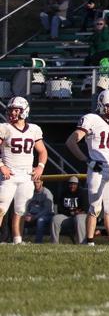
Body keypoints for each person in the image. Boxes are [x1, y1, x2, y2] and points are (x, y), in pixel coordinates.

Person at [65, 90, 109, 245]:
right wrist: (87, 160)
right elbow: (71, 142)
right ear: (101, 105)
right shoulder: (91, 119)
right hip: (96, 166)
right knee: (95, 207)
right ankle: (89, 240)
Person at [0, 96, 48, 244]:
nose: (12, 113)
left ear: (24, 111)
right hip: (10, 175)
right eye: (11, 110)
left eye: (15, 110)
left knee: (20, 210)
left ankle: (17, 240)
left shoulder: (34, 129)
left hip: (26, 175)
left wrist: (40, 167)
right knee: (1, 208)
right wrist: (1, 166)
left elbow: (43, 151)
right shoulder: (4, 128)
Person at [51, 175, 88, 244]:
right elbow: (60, 209)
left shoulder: (83, 193)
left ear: (77, 185)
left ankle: (82, 243)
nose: (72, 186)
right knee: (55, 218)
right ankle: (54, 243)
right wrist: (71, 212)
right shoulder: (64, 193)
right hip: (68, 216)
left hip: (82, 218)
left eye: (74, 184)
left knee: (78, 218)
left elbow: (85, 208)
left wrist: (77, 212)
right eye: (70, 184)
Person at [22, 178, 54, 243]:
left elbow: (47, 210)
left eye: (38, 182)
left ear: (42, 182)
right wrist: (27, 214)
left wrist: (34, 217)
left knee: (40, 220)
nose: (36, 184)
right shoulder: (31, 192)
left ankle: (38, 242)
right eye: (34, 183)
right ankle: (18, 240)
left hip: (47, 215)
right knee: (19, 218)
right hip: (33, 215)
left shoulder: (46, 193)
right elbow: (27, 206)